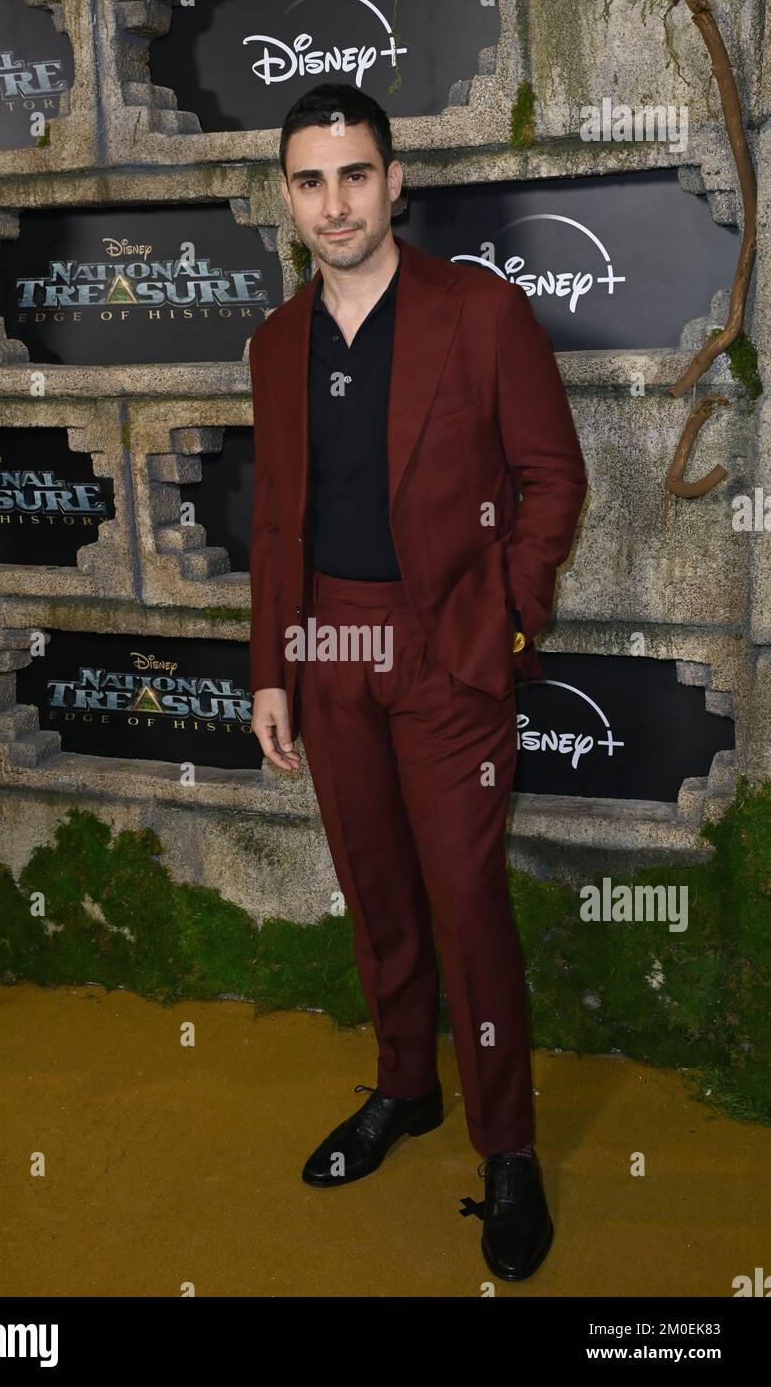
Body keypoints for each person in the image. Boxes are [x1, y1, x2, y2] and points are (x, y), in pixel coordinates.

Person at [247, 82, 587, 1282]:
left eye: (355, 174)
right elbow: (277, 524)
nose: (335, 202)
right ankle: (404, 1089)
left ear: (395, 181)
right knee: (378, 894)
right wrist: (274, 669)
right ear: (287, 198)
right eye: (310, 180)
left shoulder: (478, 312)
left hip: (445, 650)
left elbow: (554, 480)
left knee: (465, 903)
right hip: (329, 650)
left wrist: (502, 619)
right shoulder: (276, 343)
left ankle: (508, 1147)